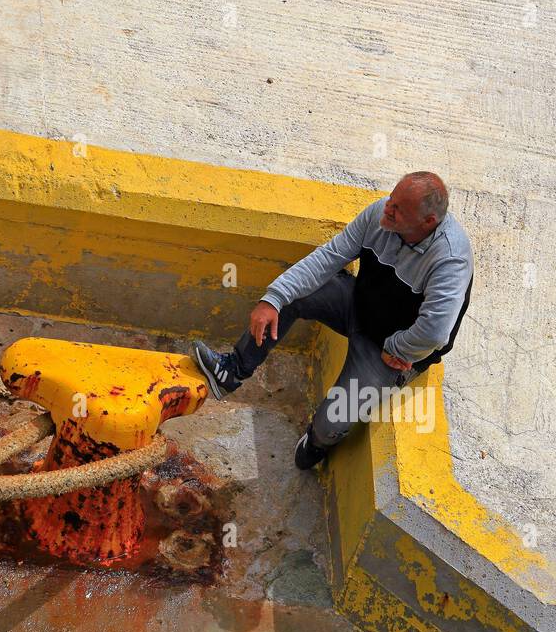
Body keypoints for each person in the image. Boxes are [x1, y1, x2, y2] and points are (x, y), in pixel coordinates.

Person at [193, 170, 473, 469]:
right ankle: (233, 371)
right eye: (391, 198)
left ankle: (317, 442)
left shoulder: (450, 258)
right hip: (359, 304)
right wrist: (272, 298)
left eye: (397, 208)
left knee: (330, 423)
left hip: (390, 350)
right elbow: (330, 256)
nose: (386, 208)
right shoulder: (381, 213)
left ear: (427, 222)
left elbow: (435, 331)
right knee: (293, 294)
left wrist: (399, 348)